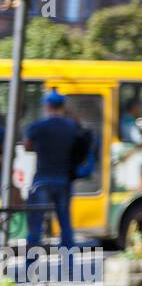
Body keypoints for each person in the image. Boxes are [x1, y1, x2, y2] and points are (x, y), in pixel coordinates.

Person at [23, 89, 89, 252]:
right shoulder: (71, 126)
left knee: (35, 223)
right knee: (65, 223)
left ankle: (31, 266)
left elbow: (27, 145)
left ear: (47, 106)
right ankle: (69, 263)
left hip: (42, 180)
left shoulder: (38, 127)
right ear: (62, 106)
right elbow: (82, 139)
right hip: (64, 181)